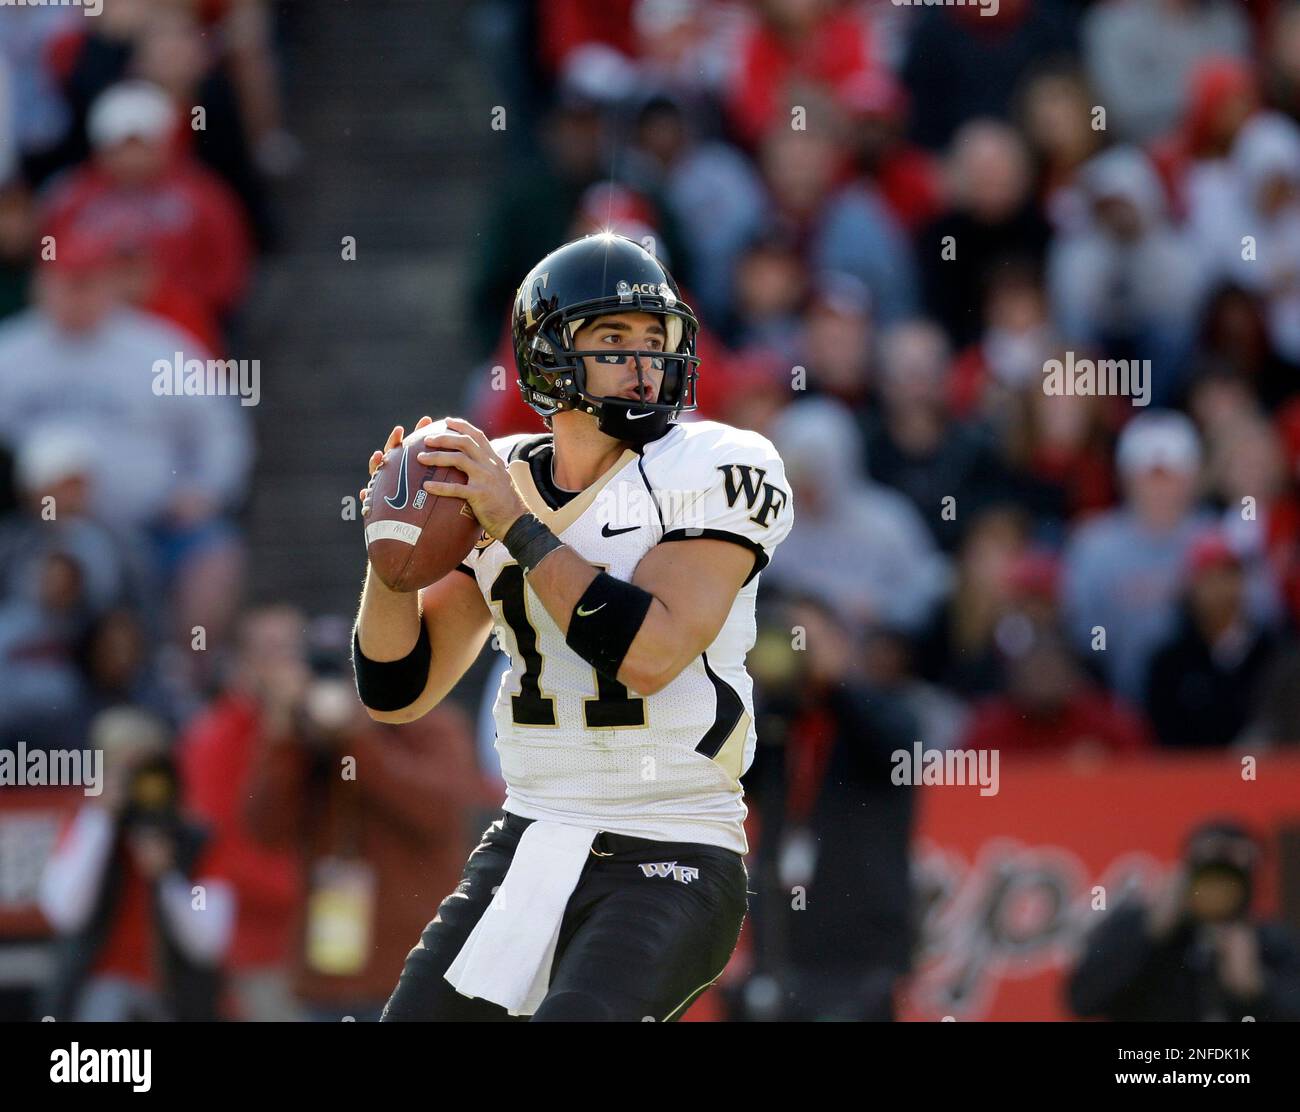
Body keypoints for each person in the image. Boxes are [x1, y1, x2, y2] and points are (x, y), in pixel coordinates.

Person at [354, 232, 794, 1021]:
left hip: (674, 847)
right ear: (549, 355)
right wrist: (391, 555)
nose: (642, 360)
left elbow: (651, 654)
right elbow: (398, 691)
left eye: (654, 340)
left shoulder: (715, 463)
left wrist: (514, 525)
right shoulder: (501, 474)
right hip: (531, 835)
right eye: (613, 339)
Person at [1068, 820, 1300, 1021]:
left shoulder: (1273, 940)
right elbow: (1083, 1000)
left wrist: (1257, 987)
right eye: (1209, 873)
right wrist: (1150, 931)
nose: (1217, 891)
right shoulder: (1138, 927)